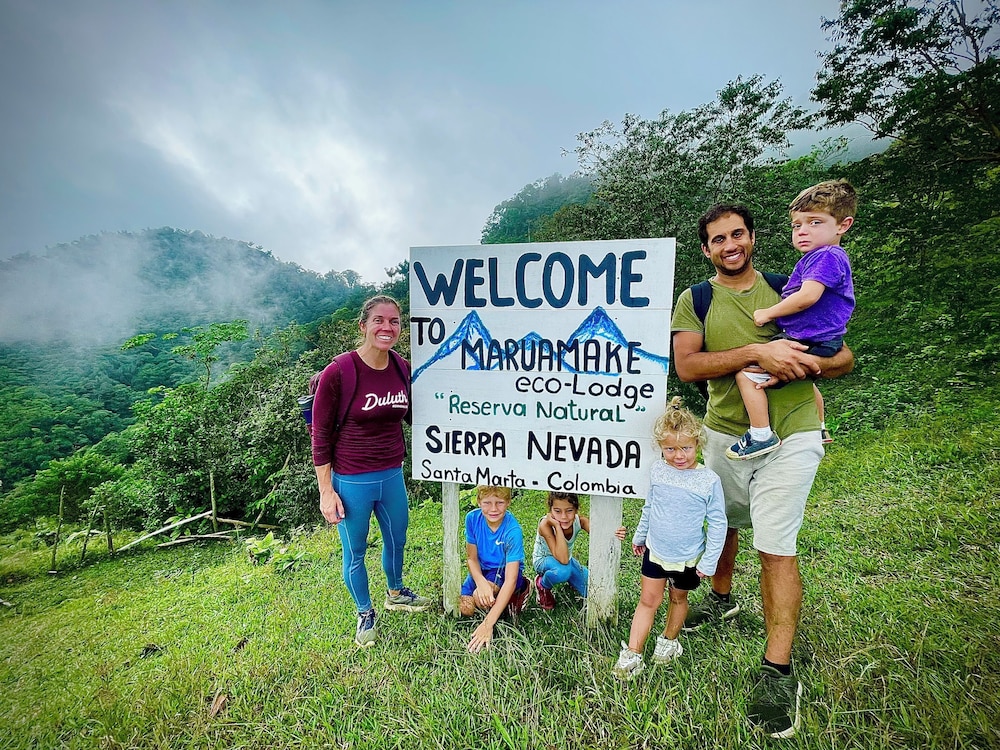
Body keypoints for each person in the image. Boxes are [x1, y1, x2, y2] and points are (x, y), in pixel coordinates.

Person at [671, 204, 854, 739]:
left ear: (751, 238)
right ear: (706, 249)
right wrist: (755, 351)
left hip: (792, 432)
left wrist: (802, 363)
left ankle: (777, 672)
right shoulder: (697, 299)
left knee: (774, 543)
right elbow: (687, 366)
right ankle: (722, 600)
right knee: (724, 521)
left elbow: (842, 357)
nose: (730, 245)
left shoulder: (792, 286)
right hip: (726, 433)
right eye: (718, 239)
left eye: (738, 234)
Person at [311, 294, 430, 649]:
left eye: (394, 322)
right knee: (355, 551)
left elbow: (415, 417)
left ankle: (396, 593)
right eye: (379, 320)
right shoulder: (340, 372)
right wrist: (326, 491)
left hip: (392, 473)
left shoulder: (401, 368)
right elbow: (319, 436)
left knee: (397, 540)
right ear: (363, 326)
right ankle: (364, 611)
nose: (387, 327)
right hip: (351, 480)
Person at [729, 180, 857, 459]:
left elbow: (807, 296)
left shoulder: (827, 256)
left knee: (747, 375)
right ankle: (820, 427)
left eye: (814, 222)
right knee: (803, 380)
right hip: (821, 338)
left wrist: (768, 313)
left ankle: (760, 434)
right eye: (797, 225)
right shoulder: (824, 256)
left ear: (842, 225)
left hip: (808, 338)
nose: (802, 232)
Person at [613, 397, 727, 679]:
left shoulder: (708, 480)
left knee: (678, 599)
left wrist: (709, 562)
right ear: (660, 447)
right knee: (647, 600)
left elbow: (717, 522)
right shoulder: (658, 471)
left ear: (697, 444)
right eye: (670, 449)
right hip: (656, 551)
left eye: (686, 448)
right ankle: (633, 654)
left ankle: (668, 642)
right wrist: (640, 537)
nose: (679, 455)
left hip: (688, 558)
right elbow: (650, 506)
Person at [461, 485, 532, 653]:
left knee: (480, 598)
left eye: (499, 502)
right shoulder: (472, 518)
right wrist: (481, 582)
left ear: (508, 502)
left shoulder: (512, 530)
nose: (493, 509)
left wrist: (487, 624)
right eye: (487, 503)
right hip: (481, 569)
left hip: (503, 571)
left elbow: (510, 579)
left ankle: (521, 591)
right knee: (465, 608)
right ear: (478, 502)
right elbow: (471, 559)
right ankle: (495, 600)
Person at [532, 491, 626, 610]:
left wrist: (616, 532)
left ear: (576, 509)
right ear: (550, 510)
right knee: (562, 571)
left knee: (594, 591)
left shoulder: (580, 521)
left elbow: (601, 535)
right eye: (557, 511)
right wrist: (556, 526)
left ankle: (572, 579)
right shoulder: (545, 524)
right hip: (544, 561)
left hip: (566, 560)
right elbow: (563, 559)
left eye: (569, 510)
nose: (564, 516)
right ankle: (542, 585)